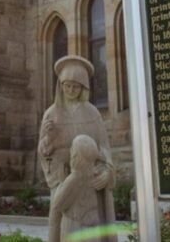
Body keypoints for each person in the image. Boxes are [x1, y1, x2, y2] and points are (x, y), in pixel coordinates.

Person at [38, 56, 114, 241]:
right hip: (62, 178)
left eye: (76, 86)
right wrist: (48, 138)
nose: (71, 90)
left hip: (90, 179)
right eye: (67, 86)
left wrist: (107, 172)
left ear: (83, 88)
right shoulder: (51, 113)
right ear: (60, 85)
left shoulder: (93, 113)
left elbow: (104, 148)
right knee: (60, 222)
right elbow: (43, 152)